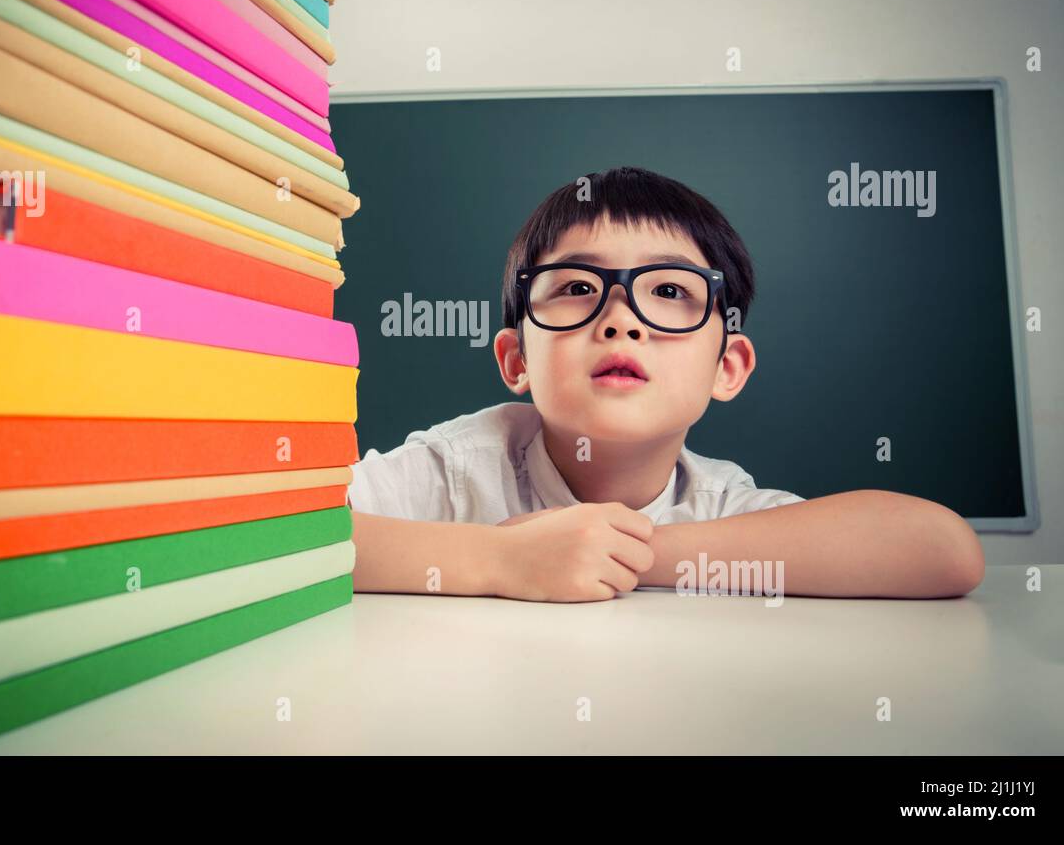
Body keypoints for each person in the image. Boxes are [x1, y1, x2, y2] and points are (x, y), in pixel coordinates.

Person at [347, 166, 984, 602]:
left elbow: (944, 551)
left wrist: (631, 554)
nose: (621, 320)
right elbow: (273, 541)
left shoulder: (715, 504)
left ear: (726, 367)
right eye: (576, 288)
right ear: (515, 359)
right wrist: (501, 561)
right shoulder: (459, 468)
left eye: (672, 291)